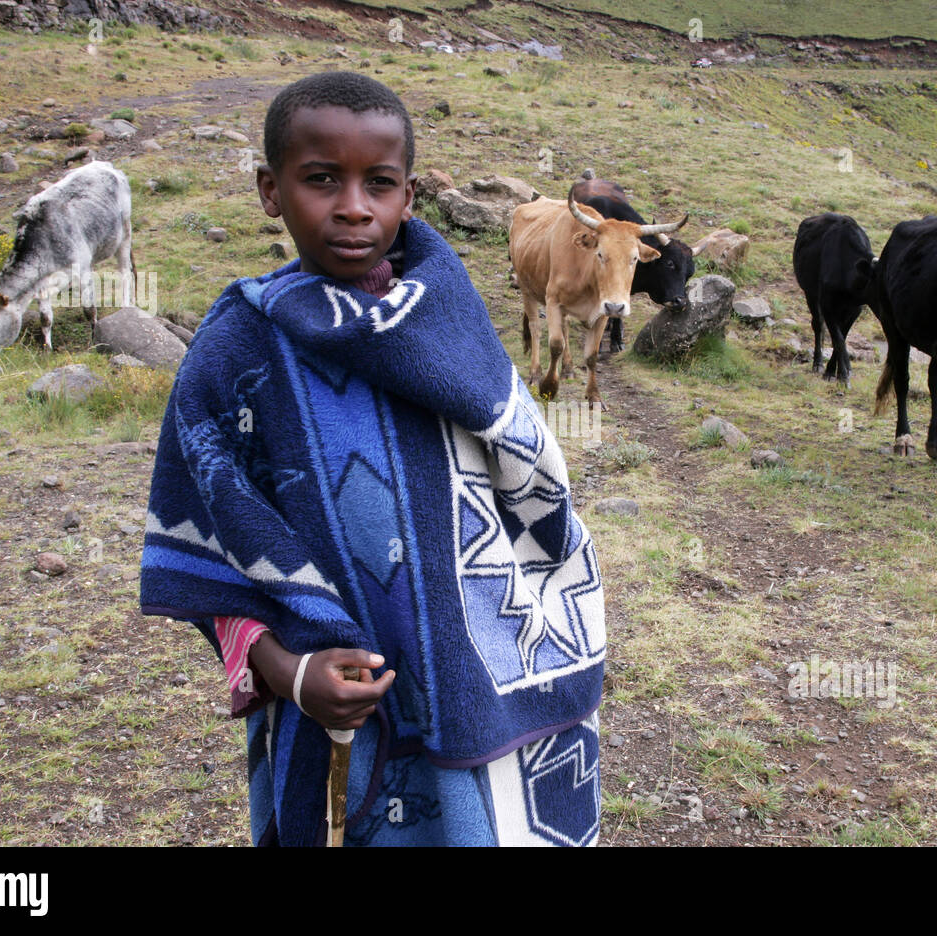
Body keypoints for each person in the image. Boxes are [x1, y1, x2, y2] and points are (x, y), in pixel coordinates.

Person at [139, 71, 606, 846]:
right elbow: (220, 554)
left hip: (479, 686)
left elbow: (531, 483)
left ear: (409, 197)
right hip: (331, 707)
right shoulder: (236, 352)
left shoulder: (449, 324)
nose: (354, 206)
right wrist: (292, 675)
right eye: (321, 179)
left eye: (379, 184)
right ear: (270, 189)